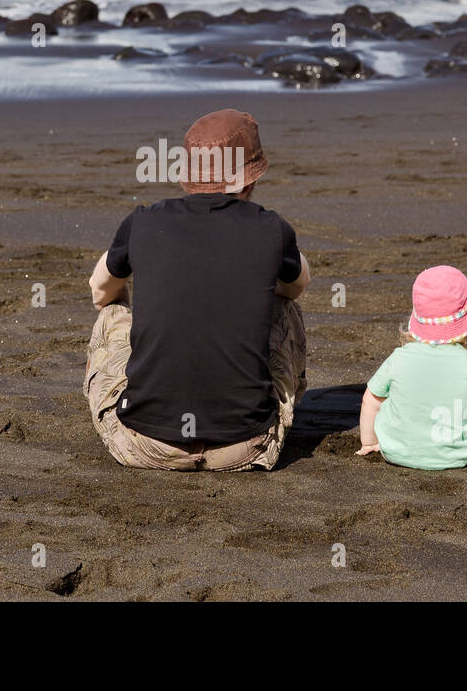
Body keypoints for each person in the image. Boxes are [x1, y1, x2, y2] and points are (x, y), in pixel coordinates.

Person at [84, 108, 310, 471]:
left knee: (112, 312)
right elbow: (297, 286)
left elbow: (99, 290)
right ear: (249, 180)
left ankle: (154, 398)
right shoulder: (271, 229)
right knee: (285, 309)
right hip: (245, 446)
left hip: (143, 444)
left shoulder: (142, 222)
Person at [357, 264, 467, 468]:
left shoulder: (398, 358)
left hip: (395, 452)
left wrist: (370, 442)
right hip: (455, 457)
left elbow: (370, 401)